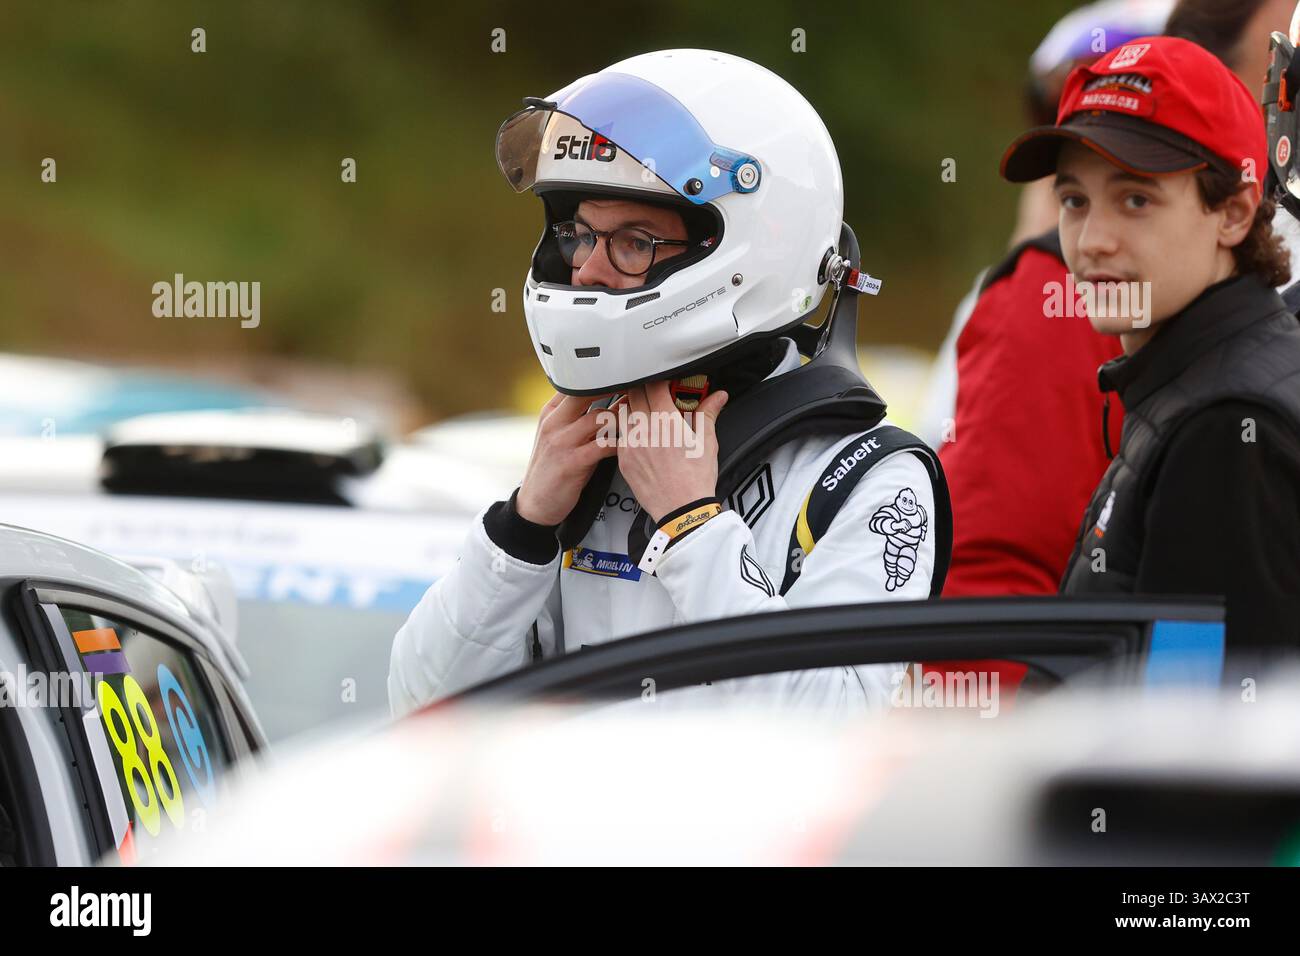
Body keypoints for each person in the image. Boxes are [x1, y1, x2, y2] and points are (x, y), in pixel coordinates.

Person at [388, 50, 952, 715]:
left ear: (751, 248)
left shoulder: (865, 476)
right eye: (577, 234)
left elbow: (832, 732)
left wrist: (693, 528)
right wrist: (523, 527)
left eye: (632, 241)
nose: (589, 269)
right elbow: (423, 709)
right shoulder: (585, 457)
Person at [1000, 34, 1300, 673]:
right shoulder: (1198, 378)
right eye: (1075, 200)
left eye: (1135, 199)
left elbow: (1192, 740)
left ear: (1235, 213)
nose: (1093, 241)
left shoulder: (1224, 428)